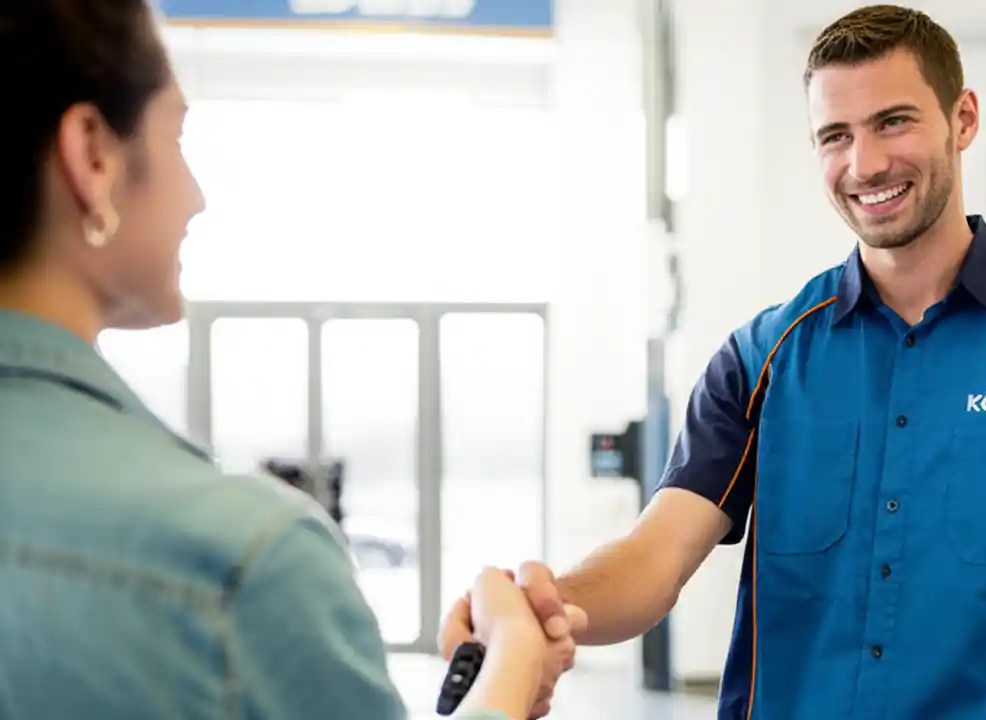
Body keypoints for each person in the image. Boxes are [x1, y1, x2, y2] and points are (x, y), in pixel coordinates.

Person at [442, 5, 986, 719]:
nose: (865, 163)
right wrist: (540, 607)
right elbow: (653, 559)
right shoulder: (760, 358)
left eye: (893, 121)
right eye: (835, 135)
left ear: (963, 119)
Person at [0, 2, 579, 719]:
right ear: (91, 155)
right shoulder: (237, 565)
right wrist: (515, 658)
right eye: (177, 134)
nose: (197, 197)